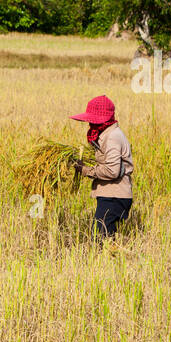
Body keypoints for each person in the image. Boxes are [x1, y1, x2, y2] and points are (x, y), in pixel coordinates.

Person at [69, 95, 134, 237]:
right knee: (105, 240)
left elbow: (112, 171)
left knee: (99, 239)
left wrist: (84, 170)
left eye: (92, 120)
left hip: (114, 197)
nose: (89, 124)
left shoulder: (112, 137)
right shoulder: (106, 134)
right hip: (110, 195)